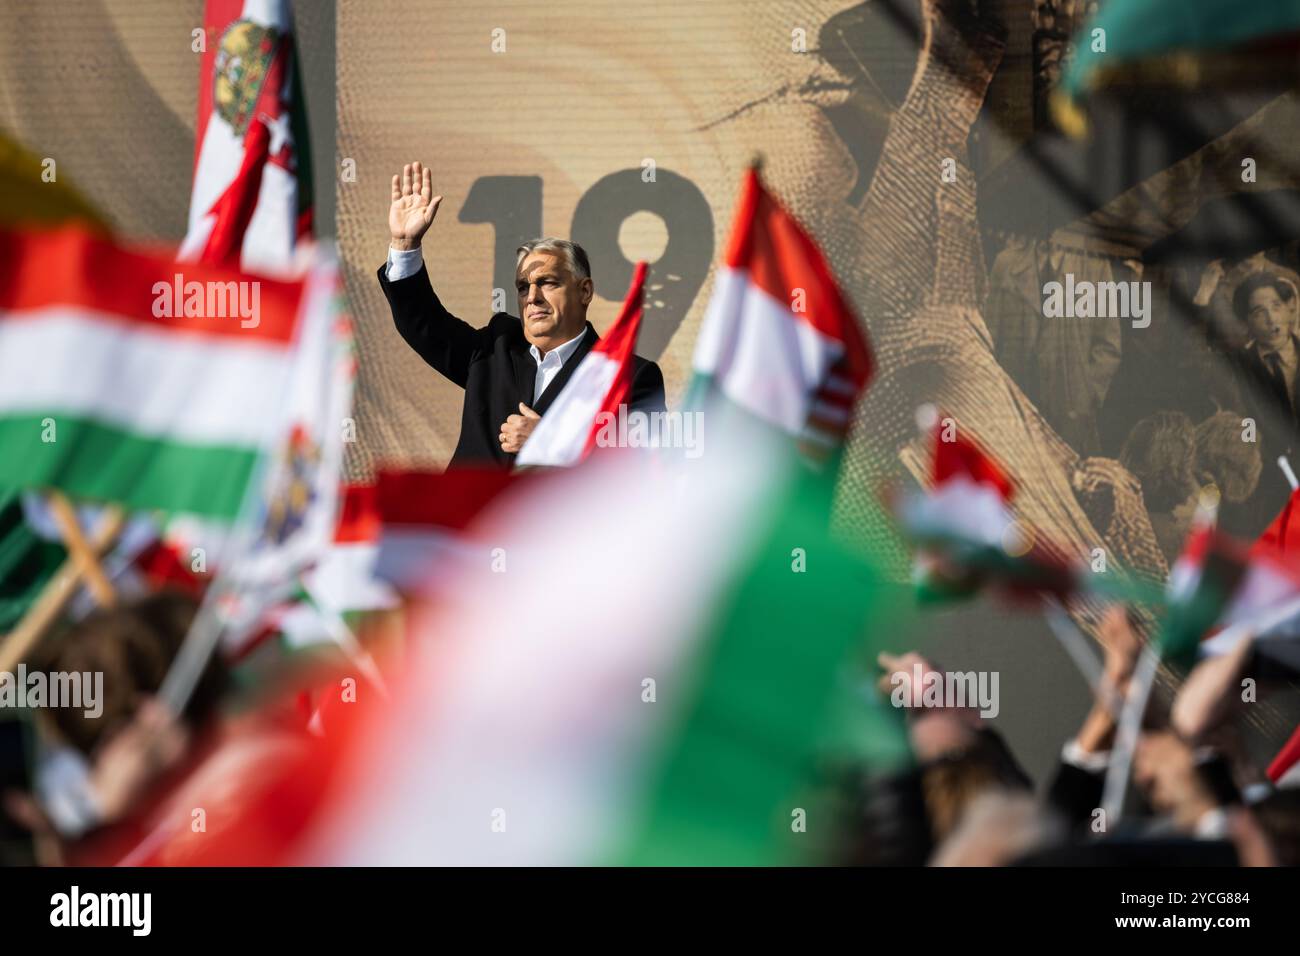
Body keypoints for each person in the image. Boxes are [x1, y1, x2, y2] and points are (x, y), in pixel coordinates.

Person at [379, 162, 666, 469]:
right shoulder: (495, 347)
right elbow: (424, 323)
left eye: (548, 283)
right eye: (523, 287)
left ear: (584, 291)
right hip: (470, 515)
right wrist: (406, 245)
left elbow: (637, 477)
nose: (532, 297)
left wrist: (549, 443)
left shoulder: (629, 376)